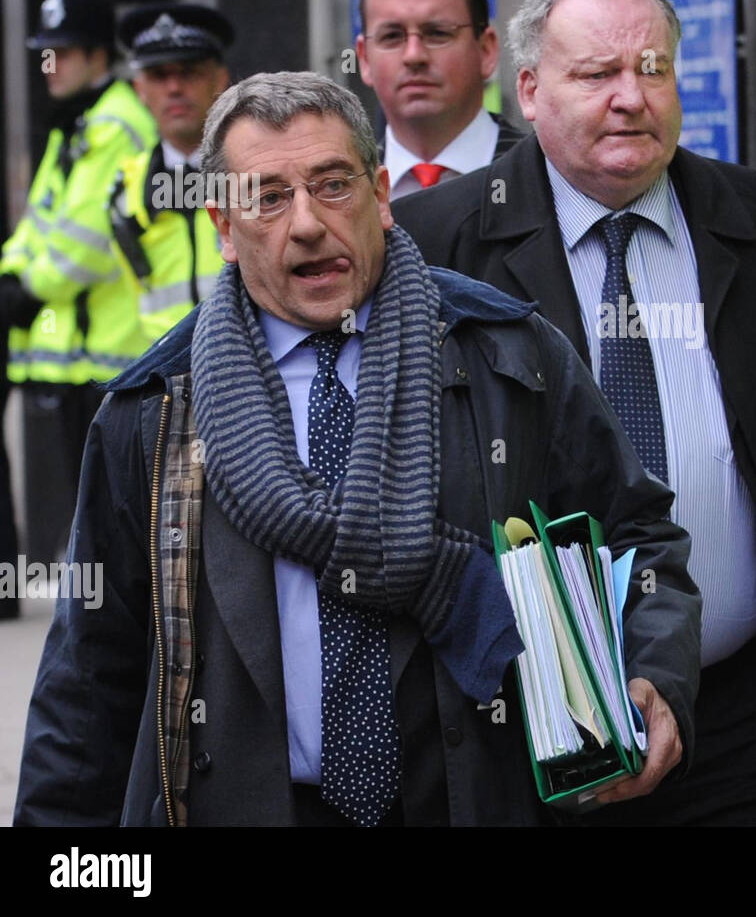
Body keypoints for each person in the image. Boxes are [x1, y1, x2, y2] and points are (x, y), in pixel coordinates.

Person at [14, 72, 701, 826]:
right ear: (220, 225)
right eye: (267, 198)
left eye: (332, 184)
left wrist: (656, 672)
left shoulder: (510, 354)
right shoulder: (150, 411)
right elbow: (89, 674)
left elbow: (640, 534)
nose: (306, 223)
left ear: (381, 193)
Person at [394, 0, 756, 826]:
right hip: (527, 727)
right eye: (597, 73)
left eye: (652, 68)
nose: (631, 97)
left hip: (744, 717)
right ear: (532, 90)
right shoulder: (433, 240)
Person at [0, 0, 155, 567]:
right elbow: (36, 221)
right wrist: (13, 273)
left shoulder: (114, 124)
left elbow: (85, 245)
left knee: (115, 529)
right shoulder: (78, 123)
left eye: (62, 52)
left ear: (98, 56)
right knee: (96, 524)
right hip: (78, 356)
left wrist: (28, 285)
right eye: (45, 52)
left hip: (111, 356)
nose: (49, 65)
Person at [356, 0, 523, 197]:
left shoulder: (550, 181)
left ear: (486, 50)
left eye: (437, 33)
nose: (414, 56)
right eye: (392, 36)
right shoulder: (344, 197)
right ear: (364, 59)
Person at [108, 3, 233, 342]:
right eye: (159, 76)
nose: (174, 88)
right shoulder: (124, 192)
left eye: (189, 72)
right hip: (162, 381)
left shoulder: (256, 178)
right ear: (140, 90)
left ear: (219, 79)